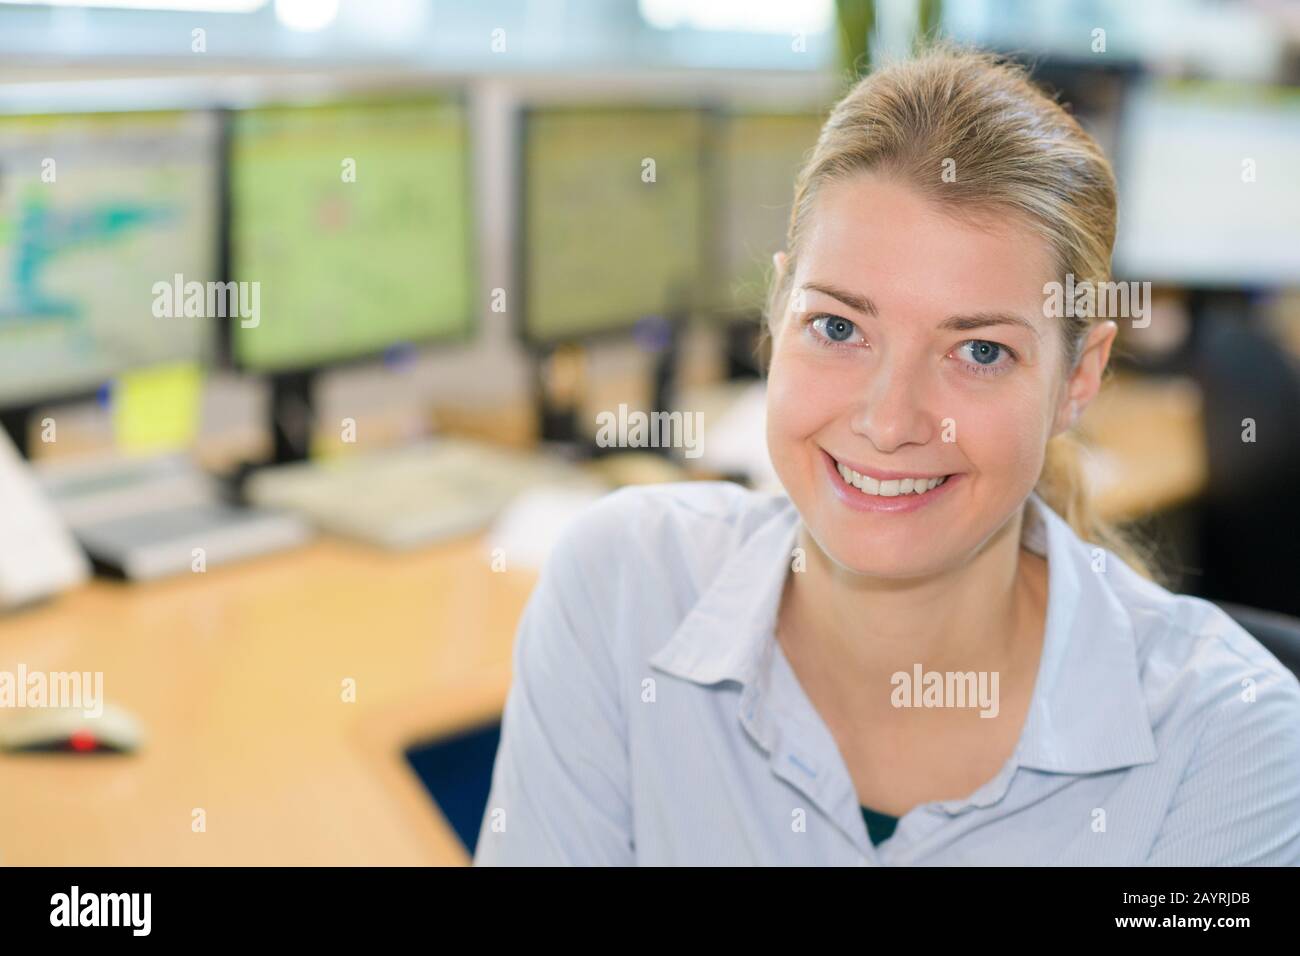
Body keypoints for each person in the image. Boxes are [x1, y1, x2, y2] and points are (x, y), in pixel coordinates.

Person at [474, 45, 1300, 865]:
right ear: (777, 309)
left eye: (979, 352)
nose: (889, 420)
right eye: (838, 327)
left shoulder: (1229, 743)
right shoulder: (620, 589)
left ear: (1077, 379)